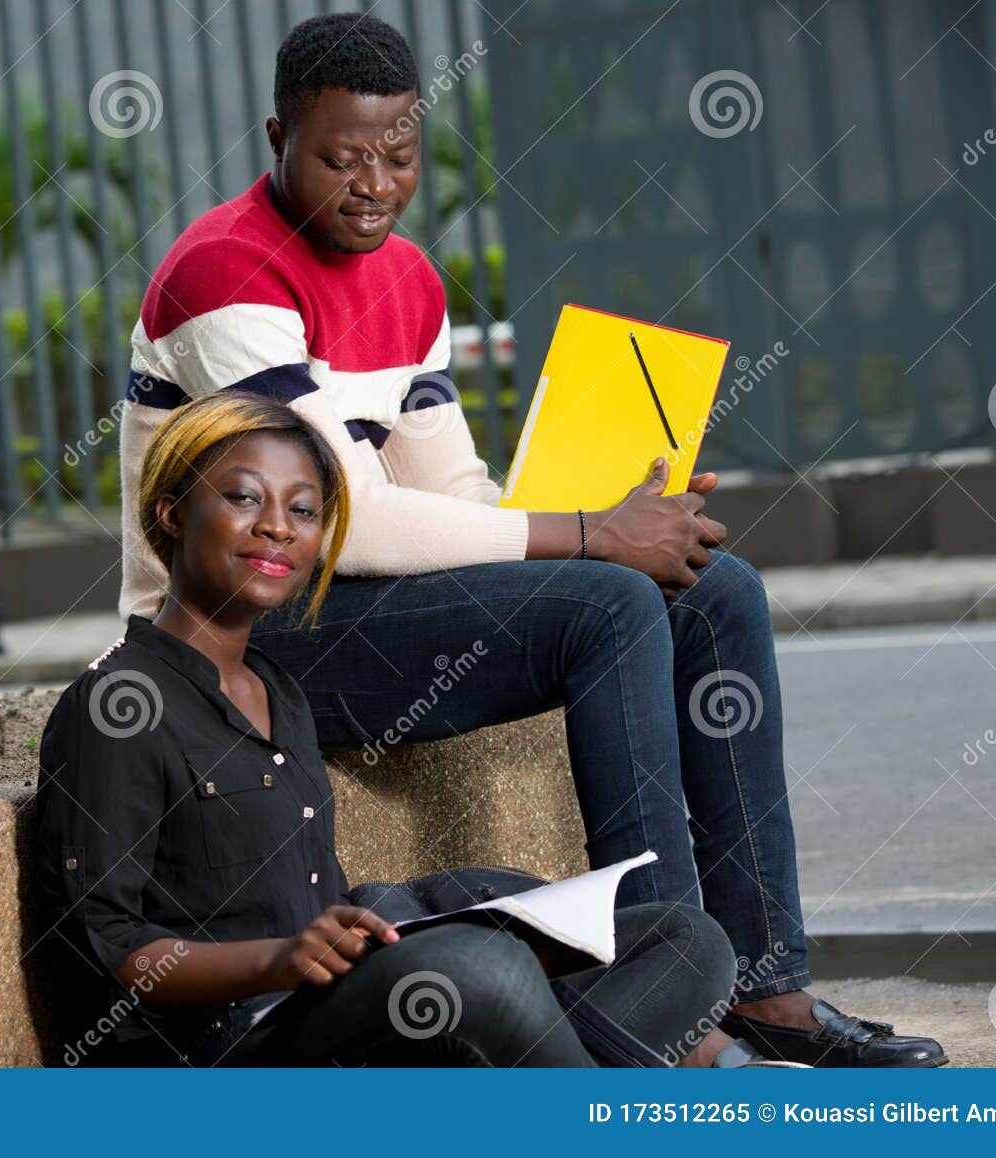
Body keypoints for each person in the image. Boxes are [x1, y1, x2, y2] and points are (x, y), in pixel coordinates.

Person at [113, 13, 946, 1067]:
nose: (373, 183)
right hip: (237, 639)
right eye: (339, 157)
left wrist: (623, 510)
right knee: (606, 601)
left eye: (400, 156)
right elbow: (346, 520)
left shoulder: (407, 278)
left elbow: (449, 491)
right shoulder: (226, 272)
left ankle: (764, 990)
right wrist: (597, 540)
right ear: (276, 135)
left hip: (349, 610)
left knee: (714, 588)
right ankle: (672, 1008)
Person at [38, 391, 773, 1067]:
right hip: (236, 1050)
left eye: (303, 511)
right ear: (170, 513)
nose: (276, 527)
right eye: (243, 498)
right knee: (476, 973)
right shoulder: (117, 706)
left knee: (686, 944)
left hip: (338, 1011)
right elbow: (115, 951)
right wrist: (279, 959)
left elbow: (308, 899)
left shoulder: (276, 690)